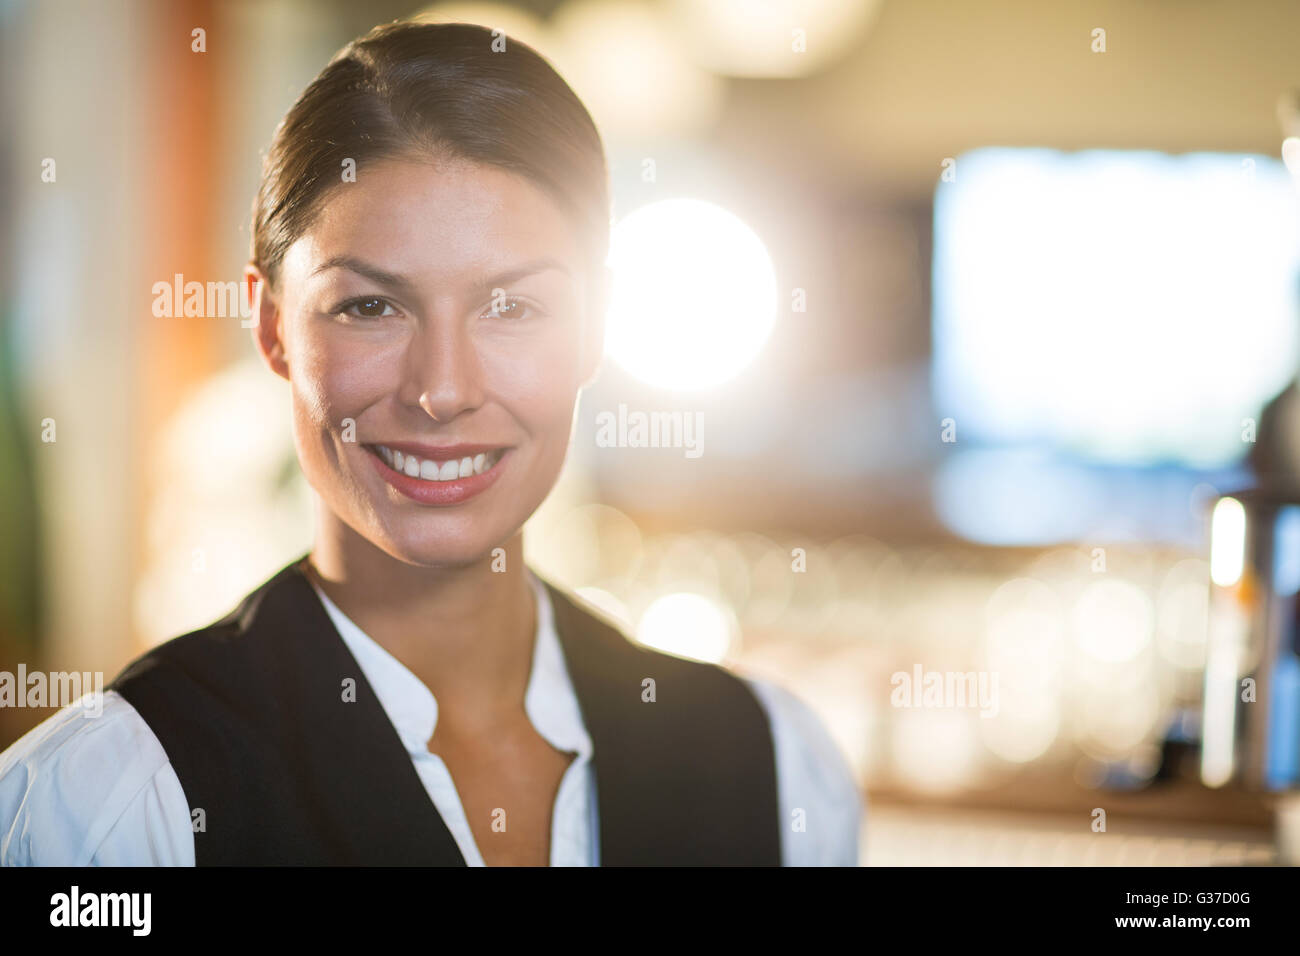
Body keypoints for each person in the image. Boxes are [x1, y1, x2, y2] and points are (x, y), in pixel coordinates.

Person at [0, 20, 861, 866]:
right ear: (271, 327)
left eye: (511, 306)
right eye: (370, 306)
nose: (441, 390)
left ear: (598, 325)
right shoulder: (104, 807)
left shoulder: (773, 767)